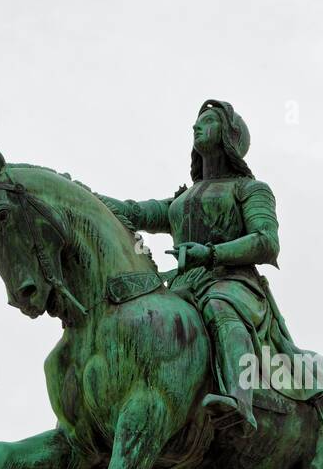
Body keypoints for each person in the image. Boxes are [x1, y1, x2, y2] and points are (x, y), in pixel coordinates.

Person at [98, 100, 280, 436]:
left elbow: (266, 241)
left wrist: (210, 253)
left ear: (229, 135)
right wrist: (83, 197)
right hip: (183, 286)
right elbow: (135, 212)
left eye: (208, 121)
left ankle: (239, 401)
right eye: (197, 122)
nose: (196, 127)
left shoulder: (250, 190)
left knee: (219, 307)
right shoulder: (183, 199)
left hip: (231, 283)